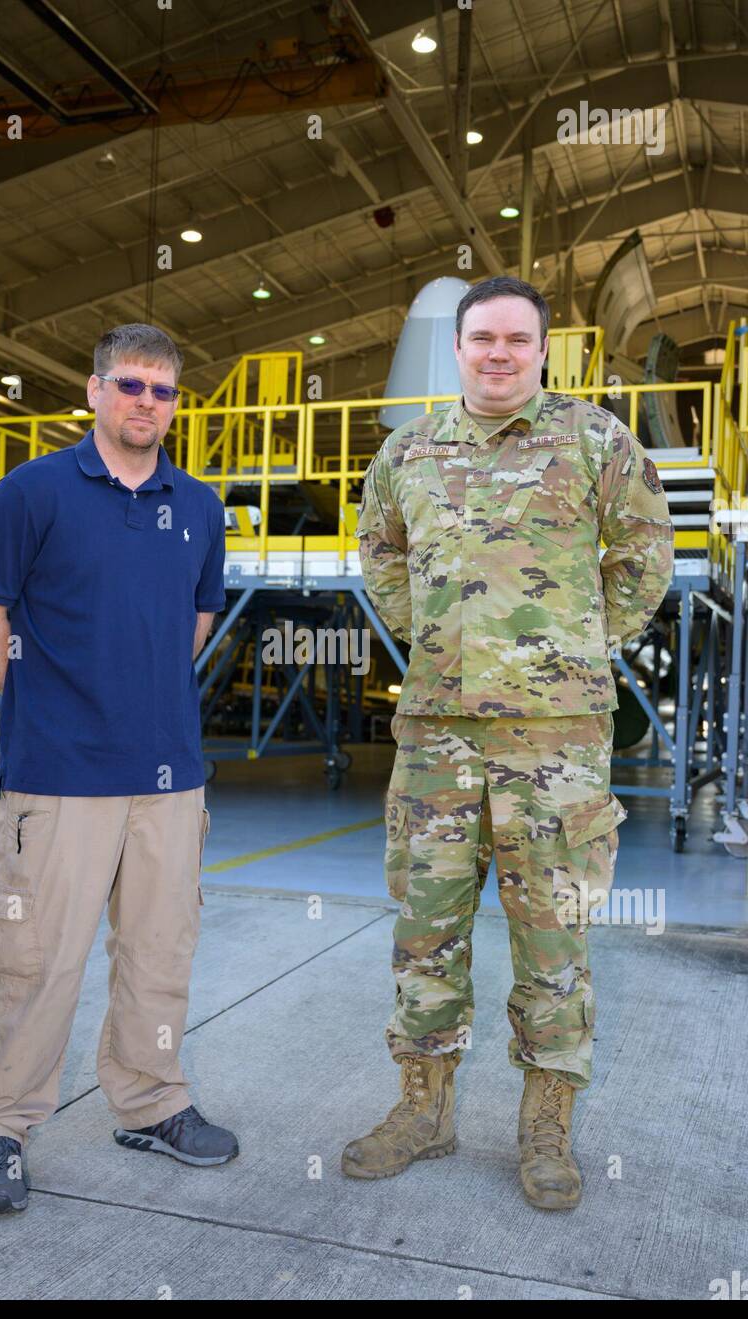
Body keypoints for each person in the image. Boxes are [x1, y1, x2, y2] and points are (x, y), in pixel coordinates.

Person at [344, 276, 674, 1208]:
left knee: (553, 942)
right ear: (459, 348)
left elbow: (646, 556)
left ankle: (546, 1130)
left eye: (516, 339)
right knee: (425, 935)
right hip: (437, 738)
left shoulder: (596, 439)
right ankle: (424, 1111)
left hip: (557, 744)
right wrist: (439, 644)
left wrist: (571, 647)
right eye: (481, 337)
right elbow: (382, 555)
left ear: (541, 349)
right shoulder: (407, 453)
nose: (498, 353)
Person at [0, 323, 236, 1215]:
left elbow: (195, 621)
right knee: (38, 962)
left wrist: (143, 699)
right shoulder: (32, 491)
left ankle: (152, 1103)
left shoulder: (198, 504)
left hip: (169, 780)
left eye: (162, 390)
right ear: (94, 390)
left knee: (160, 952)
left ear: (175, 404)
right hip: (59, 776)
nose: (146, 402)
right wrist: (51, 703)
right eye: (130, 386)